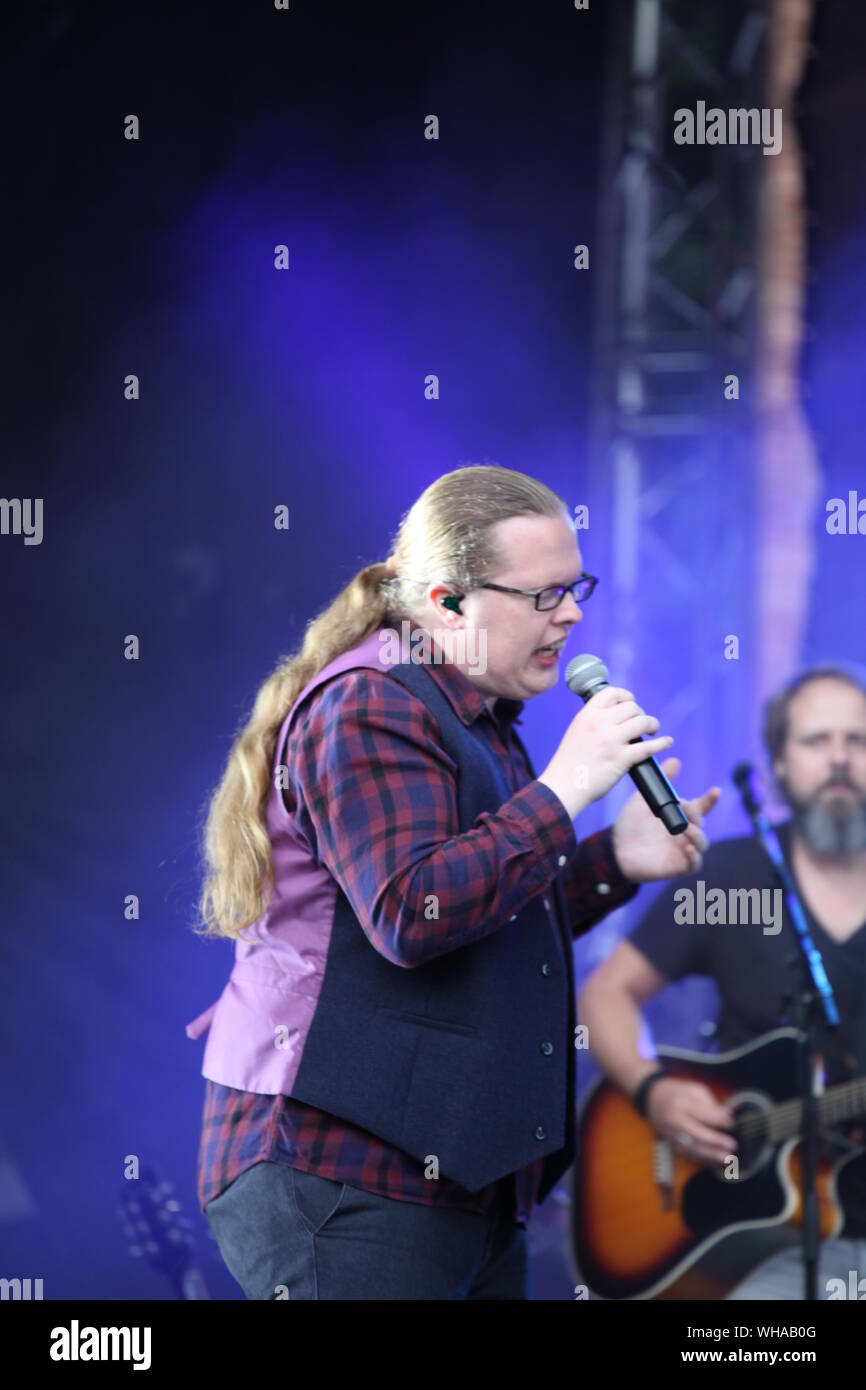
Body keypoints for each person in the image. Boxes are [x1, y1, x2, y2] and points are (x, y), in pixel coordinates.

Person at [185, 463, 717, 1300]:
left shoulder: (481, 720)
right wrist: (565, 790)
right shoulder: (369, 703)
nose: (572, 613)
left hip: (458, 1186)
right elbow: (410, 910)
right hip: (343, 1174)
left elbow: (482, 921)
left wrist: (614, 860)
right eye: (543, 595)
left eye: (575, 586)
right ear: (447, 603)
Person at [579, 666, 866, 1299]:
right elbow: (605, 994)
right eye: (817, 741)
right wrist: (654, 1091)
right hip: (755, 1244)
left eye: (859, 740)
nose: (841, 758)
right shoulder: (733, 875)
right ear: (780, 766)